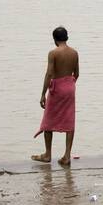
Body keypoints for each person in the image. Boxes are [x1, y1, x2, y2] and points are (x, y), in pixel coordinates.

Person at [33, 26, 79, 166]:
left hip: (57, 88)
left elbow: (49, 74)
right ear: (67, 38)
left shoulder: (53, 53)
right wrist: (68, 84)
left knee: (48, 120)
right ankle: (66, 156)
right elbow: (76, 73)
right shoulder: (74, 53)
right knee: (69, 120)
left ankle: (48, 154)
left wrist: (42, 94)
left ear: (54, 39)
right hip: (70, 87)